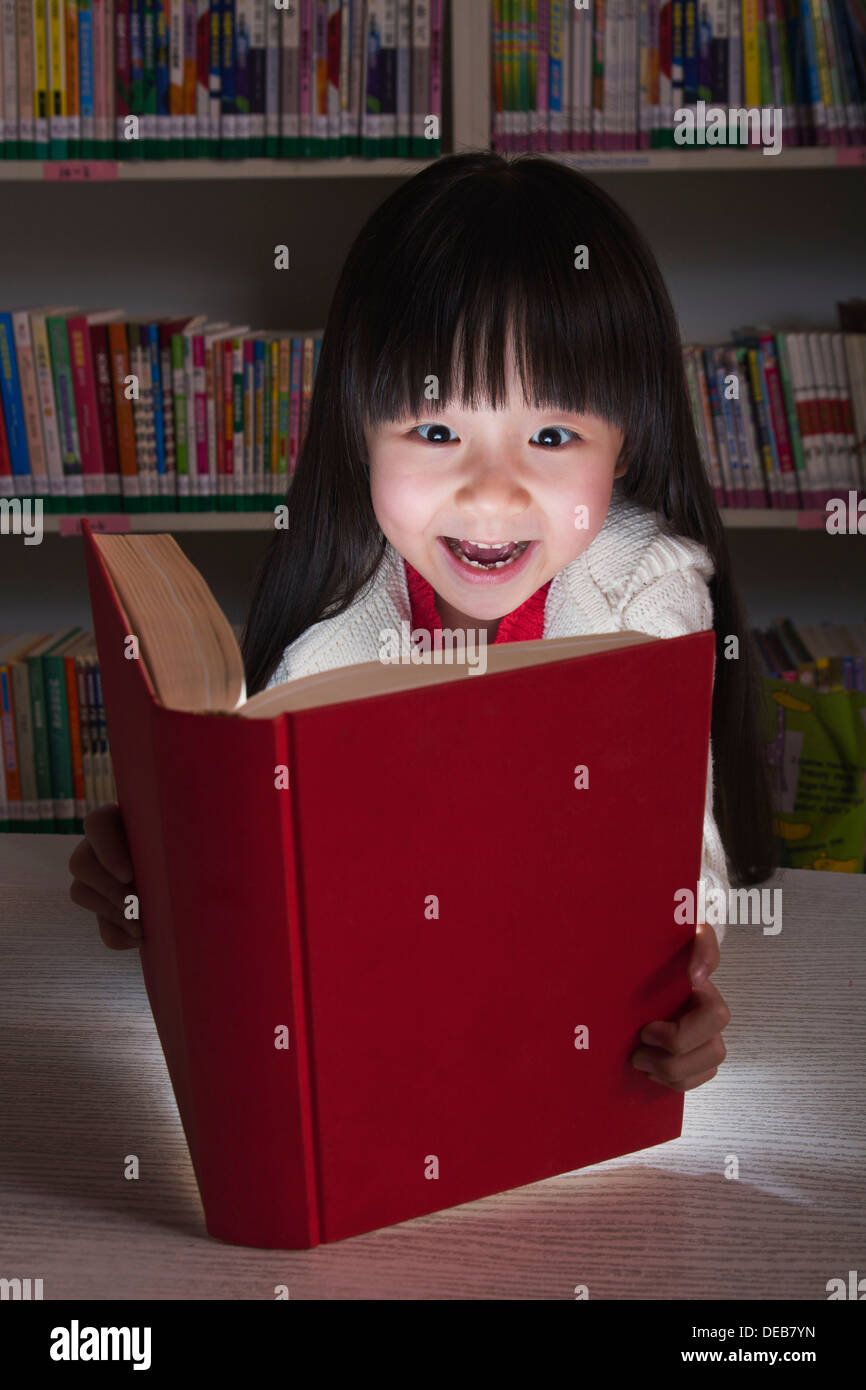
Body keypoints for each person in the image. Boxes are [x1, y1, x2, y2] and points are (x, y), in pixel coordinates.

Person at [69, 151, 778, 1094]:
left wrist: (679, 982)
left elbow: (682, 861)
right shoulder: (339, 621)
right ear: (359, 431)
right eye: (437, 433)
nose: (492, 492)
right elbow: (273, 879)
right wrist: (165, 887)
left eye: (555, 436)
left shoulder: (647, 589)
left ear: (629, 440)